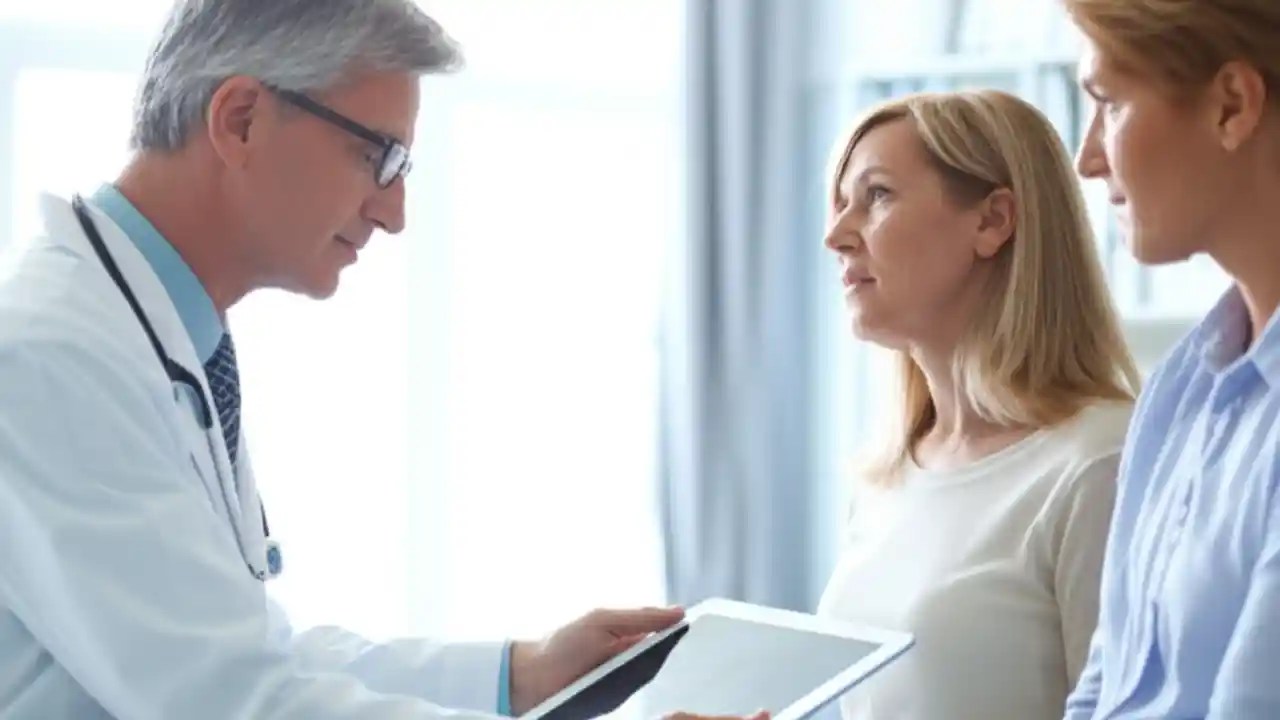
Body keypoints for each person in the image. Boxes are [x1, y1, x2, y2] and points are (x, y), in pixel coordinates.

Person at [0, 2, 757, 719]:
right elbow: (233, 700)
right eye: (379, 158)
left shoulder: (157, 341)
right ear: (241, 120)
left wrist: (521, 673)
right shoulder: (56, 356)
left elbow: (250, 650)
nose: (393, 214)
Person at [815, 89, 1141, 720]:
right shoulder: (890, 477)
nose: (836, 235)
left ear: (993, 221)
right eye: (840, 204)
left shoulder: (1101, 462)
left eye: (877, 195)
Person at [1062, 1, 1280, 717]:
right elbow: (1104, 685)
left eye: (1109, 104)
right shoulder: (1179, 388)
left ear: (1231, 105)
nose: (1088, 157)